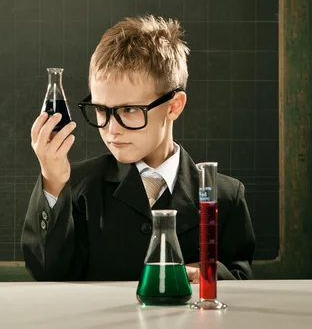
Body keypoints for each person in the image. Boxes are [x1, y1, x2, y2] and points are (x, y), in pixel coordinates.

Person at [21, 15, 255, 282]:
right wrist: (53, 181)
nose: (111, 129)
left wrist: (209, 274)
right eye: (101, 110)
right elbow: (47, 272)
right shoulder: (77, 187)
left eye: (130, 110)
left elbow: (240, 276)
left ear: (174, 106)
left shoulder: (226, 197)